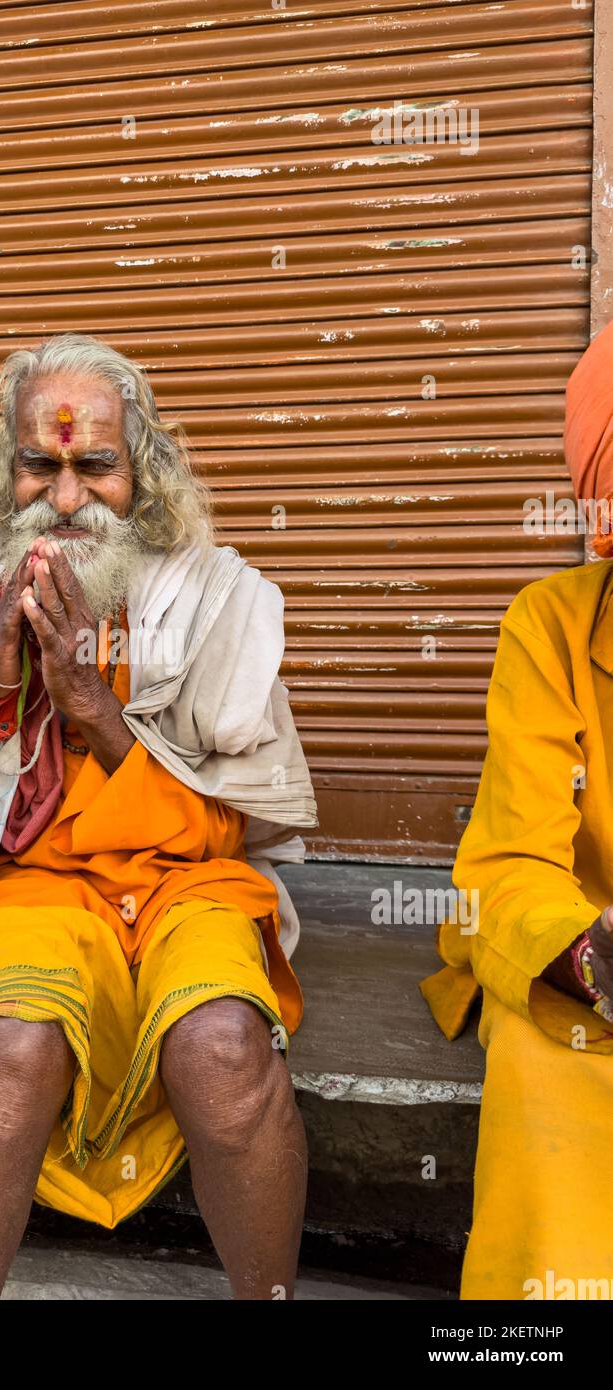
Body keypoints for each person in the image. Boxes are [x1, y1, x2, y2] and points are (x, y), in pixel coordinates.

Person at [0, 333, 317, 1300]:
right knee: (7, 1053)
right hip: (22, 880)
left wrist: (93, 709)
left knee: (224, 1047)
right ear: (7, 465)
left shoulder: (215, 598)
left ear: (142, 467)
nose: (66, 499)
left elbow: (227, 825)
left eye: (95, 467)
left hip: (182, 883)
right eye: (42, 463)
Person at [421, 322, 613, 1300]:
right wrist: (589, 957)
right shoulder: (551, 628)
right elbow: (511, 867)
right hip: (578, 964)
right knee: (547, 1050)